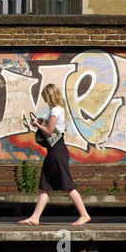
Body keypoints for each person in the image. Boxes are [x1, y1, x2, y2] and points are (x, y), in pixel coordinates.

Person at [18, 84, 91, 226]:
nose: (45, 99)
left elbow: (50, 132)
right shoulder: (61, 110)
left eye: (45, 97)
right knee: (44, 186)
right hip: (57, 150)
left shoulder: (54, 111)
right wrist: (43, 122)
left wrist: (37, 125)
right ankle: (35, 217)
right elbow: (63, 128)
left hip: (56, 152)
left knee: (68, 185)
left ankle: (84, 214)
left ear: (49, 96)